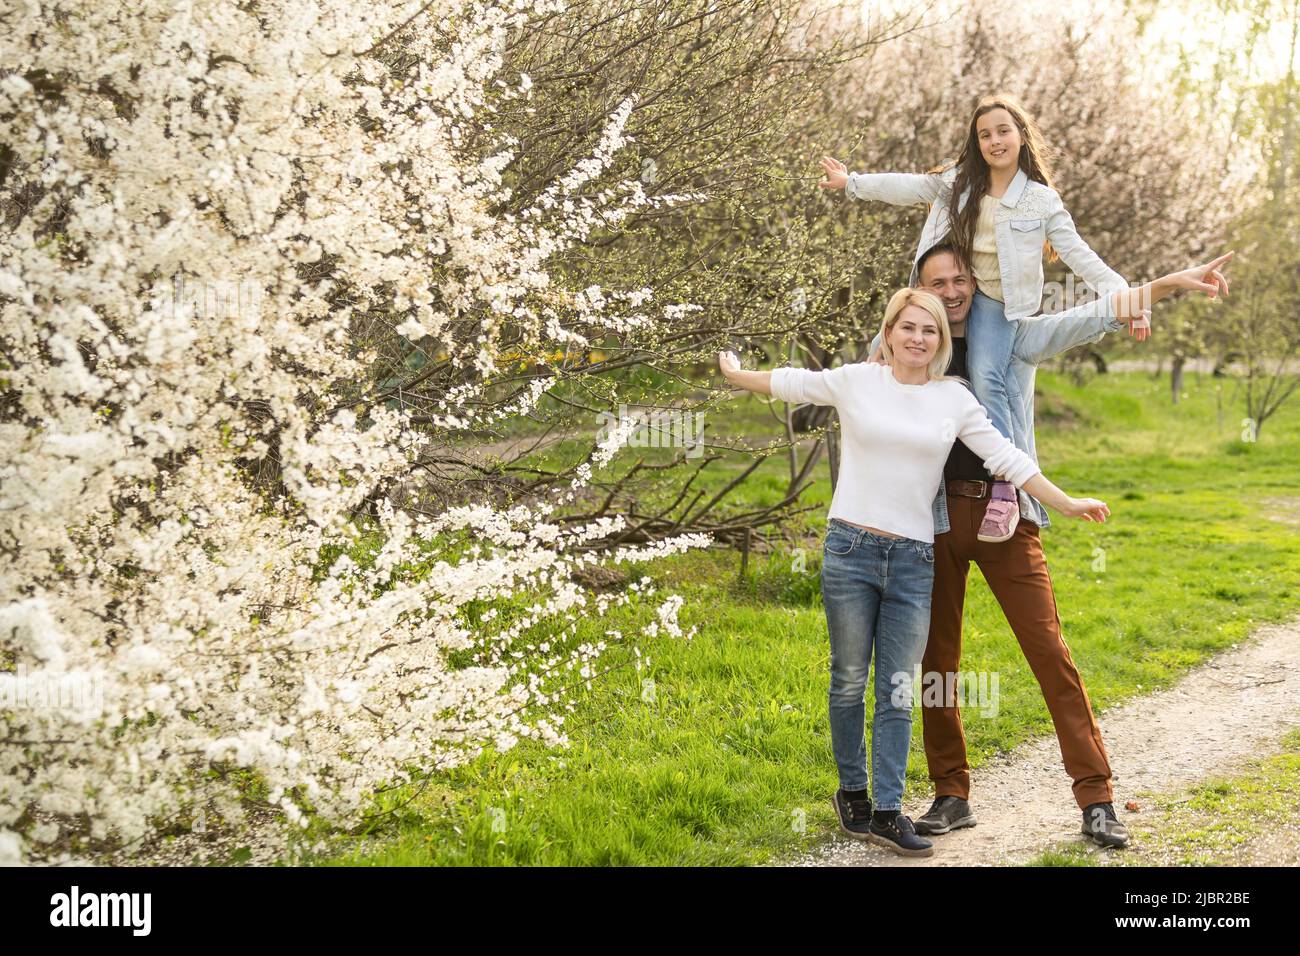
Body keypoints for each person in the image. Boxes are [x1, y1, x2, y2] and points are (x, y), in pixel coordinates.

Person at [717, 288, 1113, 857]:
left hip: (913, 557)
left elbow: (1007, 457)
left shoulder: (953, 399)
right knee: (850, 678)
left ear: (941, 342)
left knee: (900, 689)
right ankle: (852, 791)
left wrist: (1066, 501)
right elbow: (792, 381)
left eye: (930, 331)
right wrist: (738, 375)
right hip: (850, 549)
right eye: (907, 328)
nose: (918, 339)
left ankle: (887, 810)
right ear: (889, 332)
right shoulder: (857, 380)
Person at [860, 243, 1232, 848]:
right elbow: (852, 396)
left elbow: (1087, 316)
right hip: (931, 523)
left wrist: (1167, 284)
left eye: (961, 279)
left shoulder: (1010, 336)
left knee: (1049, 654)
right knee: (936, 664)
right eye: (937, 281)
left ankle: (1096, 798)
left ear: (976, 282)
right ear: (918, 287)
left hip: (1007, 514)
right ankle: (951, 794)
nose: (951, 291)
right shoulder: (911, 347)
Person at [820, 92, 1134, 546]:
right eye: (984, 134)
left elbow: (1078, 254)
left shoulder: (1041, 202)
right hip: (954, 289)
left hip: (999, 305)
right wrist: (852, 183)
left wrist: (1123, 294)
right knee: (878, 351)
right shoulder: (959, 183)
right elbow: (909, 188)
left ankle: (1007, 489)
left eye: (1003, 131)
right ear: (977, 142)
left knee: (988, 375)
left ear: (1021, 137)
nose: (994, 141)